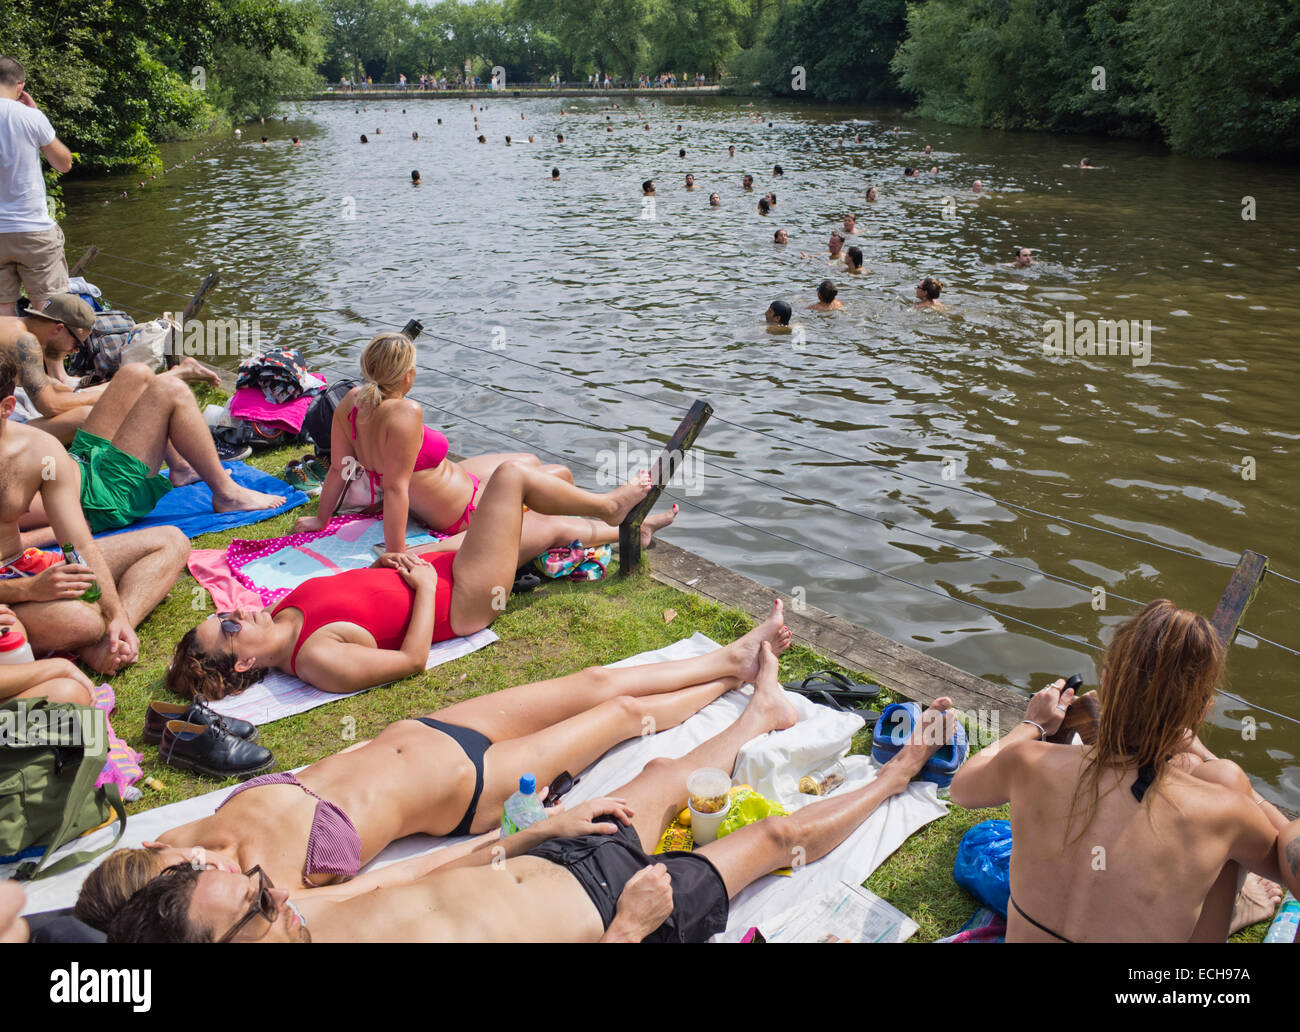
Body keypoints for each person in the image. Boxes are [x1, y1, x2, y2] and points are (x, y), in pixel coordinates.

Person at [108, 648, 959, 943]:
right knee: (771, 843)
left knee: (661, 778)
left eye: (258, 883)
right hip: (611, 914)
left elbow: (407, 881)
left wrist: (537, 829)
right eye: (258, 899)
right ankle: (896, 774)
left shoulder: (300, 919)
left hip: (555, 855)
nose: (274, 892)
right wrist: (627, 932)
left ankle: (763, 709)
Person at [77, 610, 791, 922]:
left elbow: (171, 767)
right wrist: (527, 837)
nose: (203, 862)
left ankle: (733, 657)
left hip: (426, 729)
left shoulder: (194, 834)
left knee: (601, 680)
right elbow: (410, 876)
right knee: (614, 719)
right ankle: (750, 693)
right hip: (469, 789)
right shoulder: (269, 900)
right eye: (186, 877)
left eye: (179, 859)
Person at [173, 459, 671, 698]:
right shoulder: (316, 660)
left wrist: (394, 564)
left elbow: (356, 595)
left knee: (542, 524)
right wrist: (428, 589)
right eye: (231, 629)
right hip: (461, 602)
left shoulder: (282, 612)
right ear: (245, 664)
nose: (235, 612)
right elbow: (411, 662)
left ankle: (636, 531)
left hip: (436, 569)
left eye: (224, 615)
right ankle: (610, 505)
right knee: (510, 480)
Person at [950, 600, 1293, 942]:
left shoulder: (1029, 761)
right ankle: (1230, 914)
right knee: (1226, 791)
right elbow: (1289, 860)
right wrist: (1227, 777)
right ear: (1202, 711)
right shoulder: (1224, 812)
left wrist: (1031, 725)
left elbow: (962, 788)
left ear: (1106, 681)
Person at [294, 333, 579, 550]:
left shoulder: (350, 402)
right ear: (409, 376)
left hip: (453, 483)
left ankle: (557, 514)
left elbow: (338, 469)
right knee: (561, 474)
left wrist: (321, 520)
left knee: (531, 461)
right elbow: (394, 489)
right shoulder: (406, 412)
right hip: (463, 510)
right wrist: (396, 551)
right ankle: (575, 526)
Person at [0, 352, 189, 674]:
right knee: (82, 621)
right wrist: (25, 591)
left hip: (21, 564)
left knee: (171, 541)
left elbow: (79, 544)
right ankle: (91, 636)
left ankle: (113, 637)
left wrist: (115, 614)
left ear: (6, 408)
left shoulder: (39, 451)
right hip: (15, 585)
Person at [0, 56, 73, 316]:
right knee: (49, 310)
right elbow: (63, 163)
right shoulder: (31, 116)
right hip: (32, 229)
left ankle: (10, 357)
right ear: (20, 87)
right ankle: (53, 359)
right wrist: (36, 114)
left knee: (3, 315)